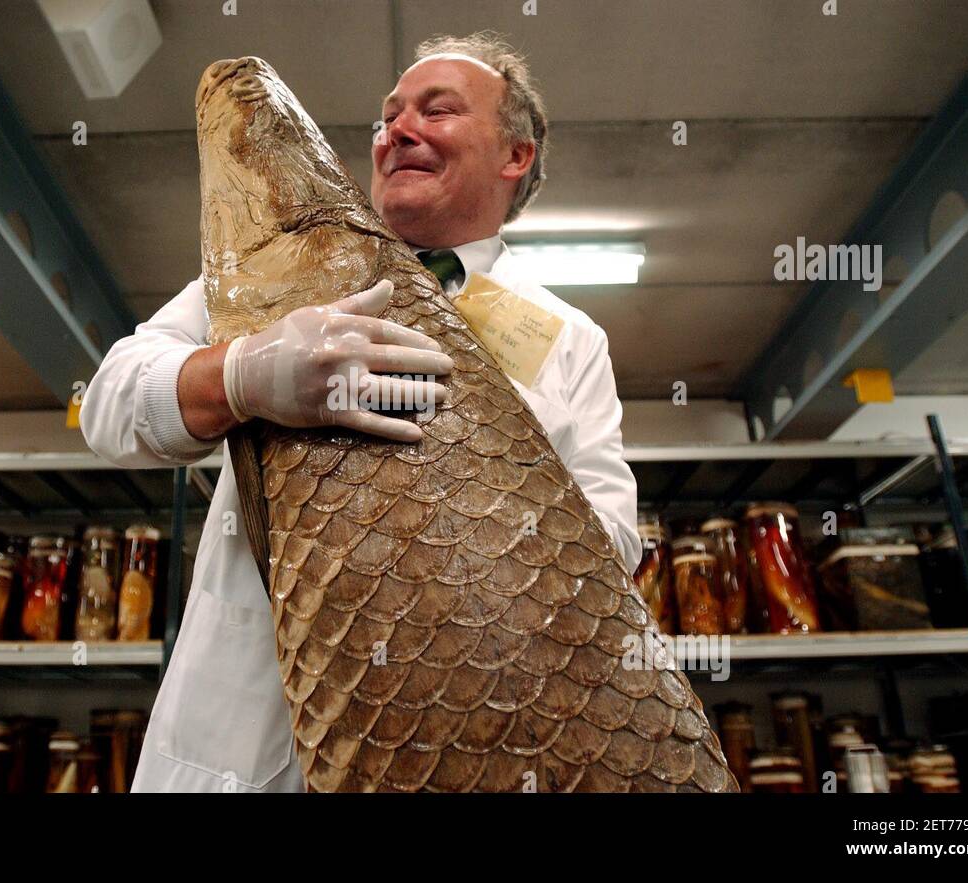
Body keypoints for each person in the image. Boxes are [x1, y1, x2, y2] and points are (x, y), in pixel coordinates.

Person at [80, 33, 640, 793]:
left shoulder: (570, 339)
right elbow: (109, 403)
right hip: (243, 756)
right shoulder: (272, 268)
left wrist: (496, 496)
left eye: (436, 112)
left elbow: (610, 552)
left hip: (463, 747)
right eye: (388, 118)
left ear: (516, 154)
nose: (397, 131)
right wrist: (241, 373)